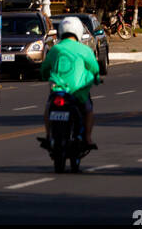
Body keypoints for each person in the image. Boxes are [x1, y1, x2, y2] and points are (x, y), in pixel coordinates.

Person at [40, 16, 100, 150]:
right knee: (88, 110)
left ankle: (49, 135)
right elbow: (95, 68)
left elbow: (44, 69)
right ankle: (88, 138)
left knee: (48, 108)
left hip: (58, 91)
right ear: (79, 31)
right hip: (78, 92)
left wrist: (44, 76)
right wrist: (96, 78)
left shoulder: (56, 49)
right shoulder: (84, 49)